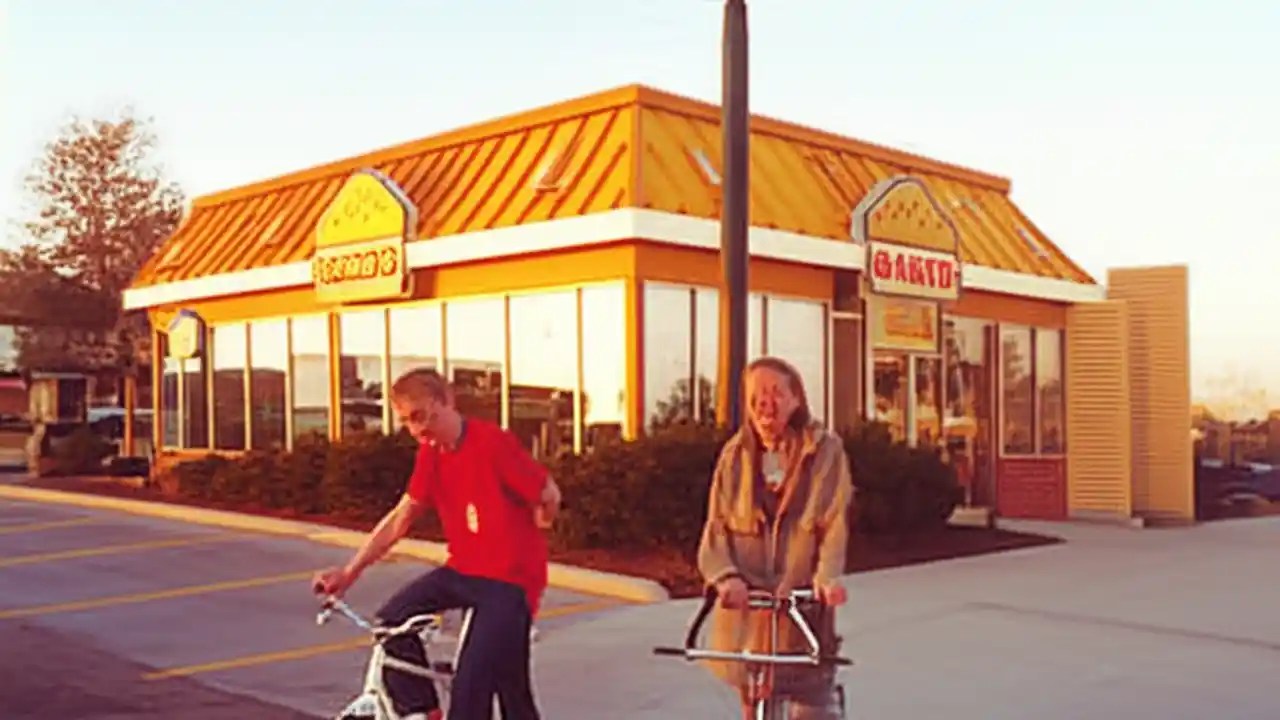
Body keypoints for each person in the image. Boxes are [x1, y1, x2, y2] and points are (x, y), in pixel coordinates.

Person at [312, 368, 561, 720]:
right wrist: (349, 573)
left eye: (420, 417)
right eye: (406, 422)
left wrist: (541, 524)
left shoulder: (493, 444)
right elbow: (402, 517)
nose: (416, 431)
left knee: (473, 691)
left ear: (445, 402)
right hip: (462, 571)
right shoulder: (432, 453)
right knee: (391, 624)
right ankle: (425, 711)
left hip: (509, 583)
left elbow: (549, 493)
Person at [696, 356, 854, 719]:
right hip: (747, 611)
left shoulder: (825, 451)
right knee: (752, 700)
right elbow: (716, 528)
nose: (765, 403)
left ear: (796, 398)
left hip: (799, 608)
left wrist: (826, 577)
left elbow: (833, 523)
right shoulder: (734, 456)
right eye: (757, 395)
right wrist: (725, 577)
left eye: (776, 392)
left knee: (809, 705)